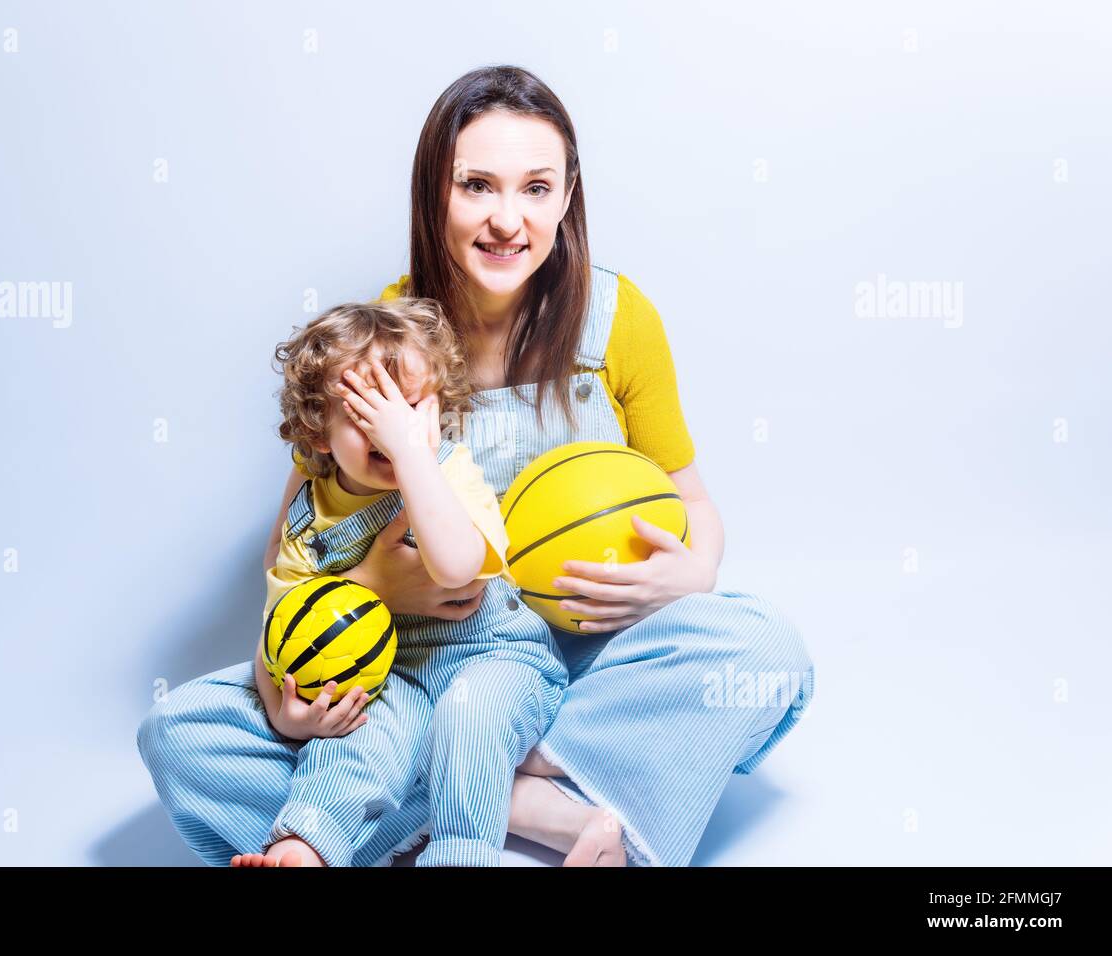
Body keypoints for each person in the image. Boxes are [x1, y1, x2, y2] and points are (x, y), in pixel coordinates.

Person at [139, 64, 815, 867]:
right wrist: (371, 594)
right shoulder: (380, 342)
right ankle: (525, 810)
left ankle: (431, 809)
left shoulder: (618, 319)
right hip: (414, 670)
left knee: (763, 649)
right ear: (434, 194)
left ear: (568, 199)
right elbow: (298, 545)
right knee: (180, 736)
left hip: (579, 659)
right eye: (476, 186)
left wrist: (689, 574)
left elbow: (693, 503)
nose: (507, 219)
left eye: (536, 188)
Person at [235, 298, 567, 867]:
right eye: (369, 414)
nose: (395, 430)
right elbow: (280, 632)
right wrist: (282, 712)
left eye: (410, 410)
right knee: (354, 744)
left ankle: (460, 854)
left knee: (472, 720)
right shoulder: (310, 520)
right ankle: (307, 846)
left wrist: (415, 455)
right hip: (394, 680)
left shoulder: (448, 473)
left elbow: (459, 567)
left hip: (495, 657)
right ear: (317, 433)